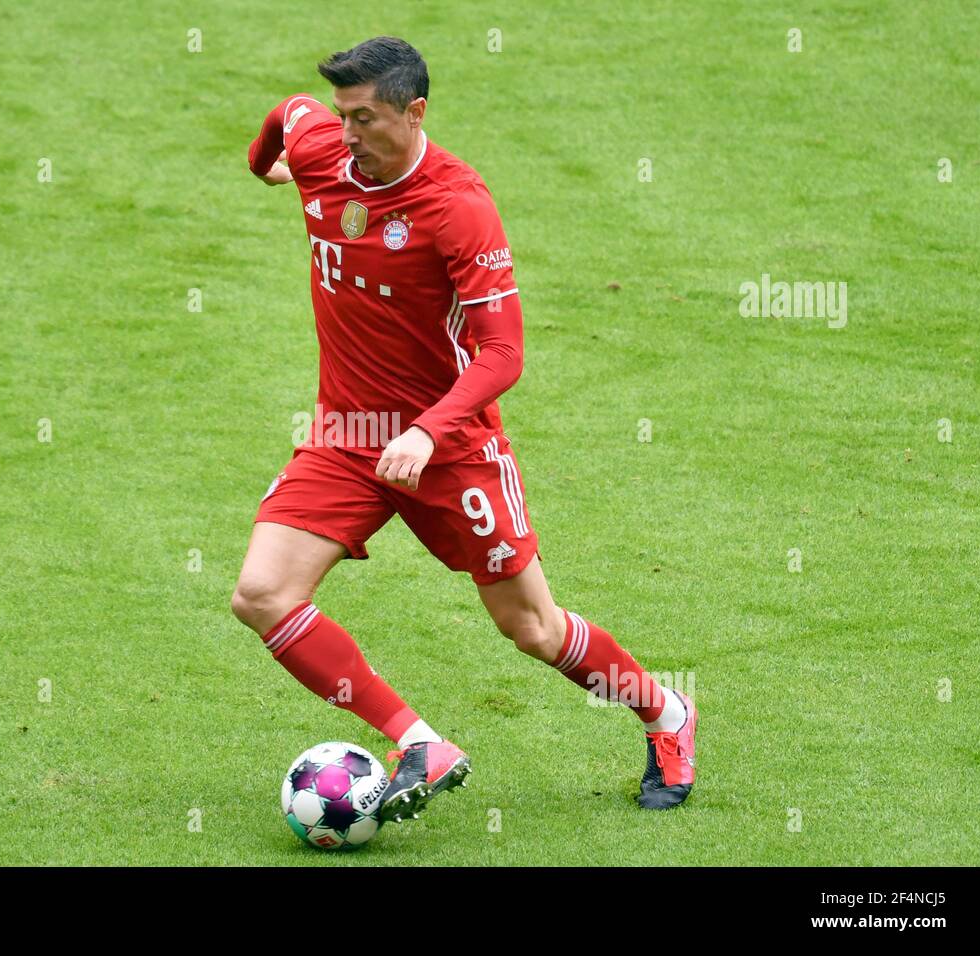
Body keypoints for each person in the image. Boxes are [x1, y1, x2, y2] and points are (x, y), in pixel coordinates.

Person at [235, 36, 697, 822]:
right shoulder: (323, 148)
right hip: (347, 434)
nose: (349, 137)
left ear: (414, 114)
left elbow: (504, 351)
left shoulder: (456, 206)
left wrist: (428, 431)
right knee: (261, 594)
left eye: (368, 120)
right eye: (344, 118)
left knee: (532, 627)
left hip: (451, 450)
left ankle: (665, 714)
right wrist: (265, 165)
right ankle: (419, 741)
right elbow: (287, 116)